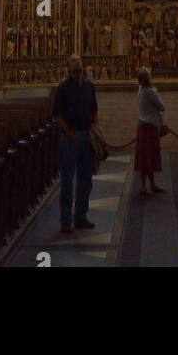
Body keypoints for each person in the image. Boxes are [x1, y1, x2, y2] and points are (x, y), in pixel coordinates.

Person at [53, 54, 98, 233]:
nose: (77, 62)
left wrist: (94, 128)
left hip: (86, 136)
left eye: (79, 60)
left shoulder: (89, 86)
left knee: (86, 179)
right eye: (73, 60)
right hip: (70, 138)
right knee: (67, 179)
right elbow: (57, 114)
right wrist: (69, 132)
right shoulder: (63, 88)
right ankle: (66, 219)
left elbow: (94, 109)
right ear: (68, 67)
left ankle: (81, 216)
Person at [134, 68, 166, 197]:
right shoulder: (149, 92)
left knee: (144, 157)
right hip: (150, 127)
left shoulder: (140, 89)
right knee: (149, 156)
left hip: (142, 125)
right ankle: (144, 186)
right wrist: (156, 93)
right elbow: (162, 107)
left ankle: (150, 184)